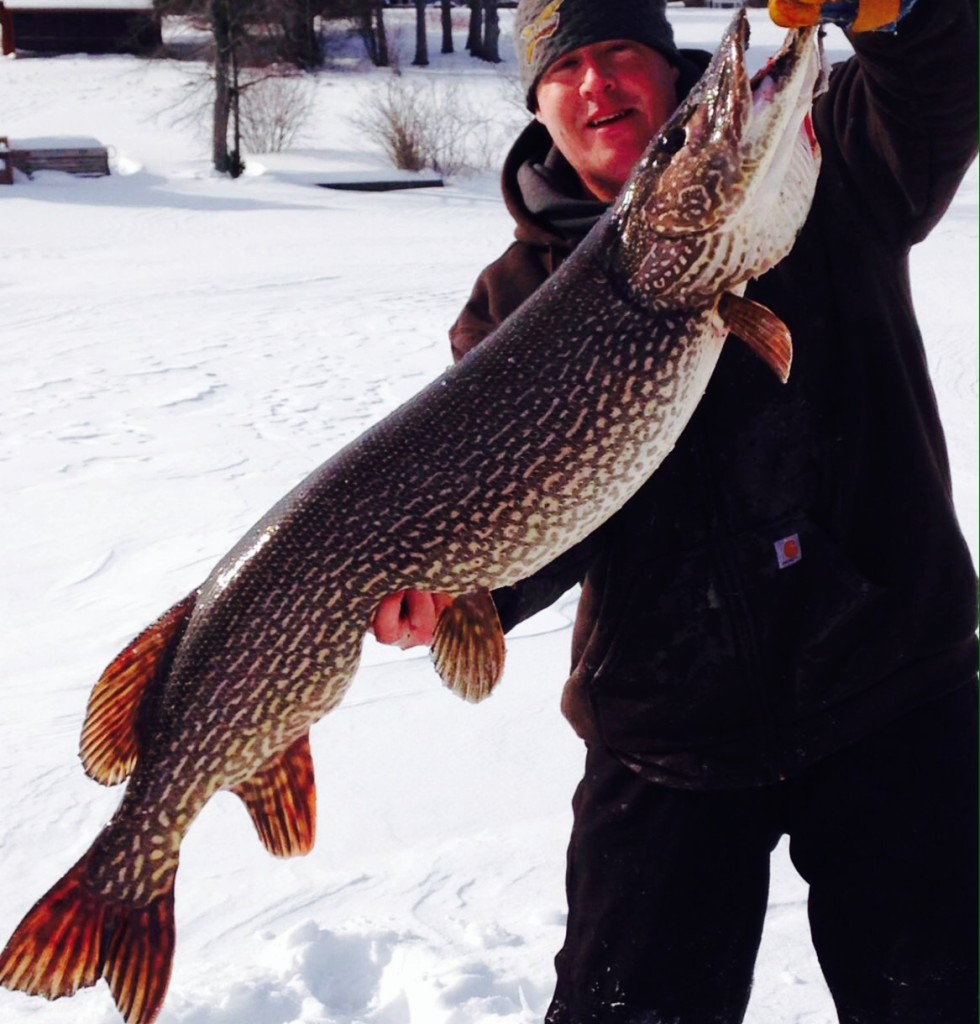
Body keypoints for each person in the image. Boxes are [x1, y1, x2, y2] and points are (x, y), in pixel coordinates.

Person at [373, 0, 979, 1019]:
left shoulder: (819, 170)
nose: (595, 85)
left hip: (889, 685)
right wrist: (459, 586)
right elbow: (546, 510)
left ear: (667, 72)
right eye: (565, 70)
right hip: (665, 723)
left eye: (618, 54)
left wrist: (892, 13)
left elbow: (933, 83)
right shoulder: (513, 300)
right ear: (539, 104)